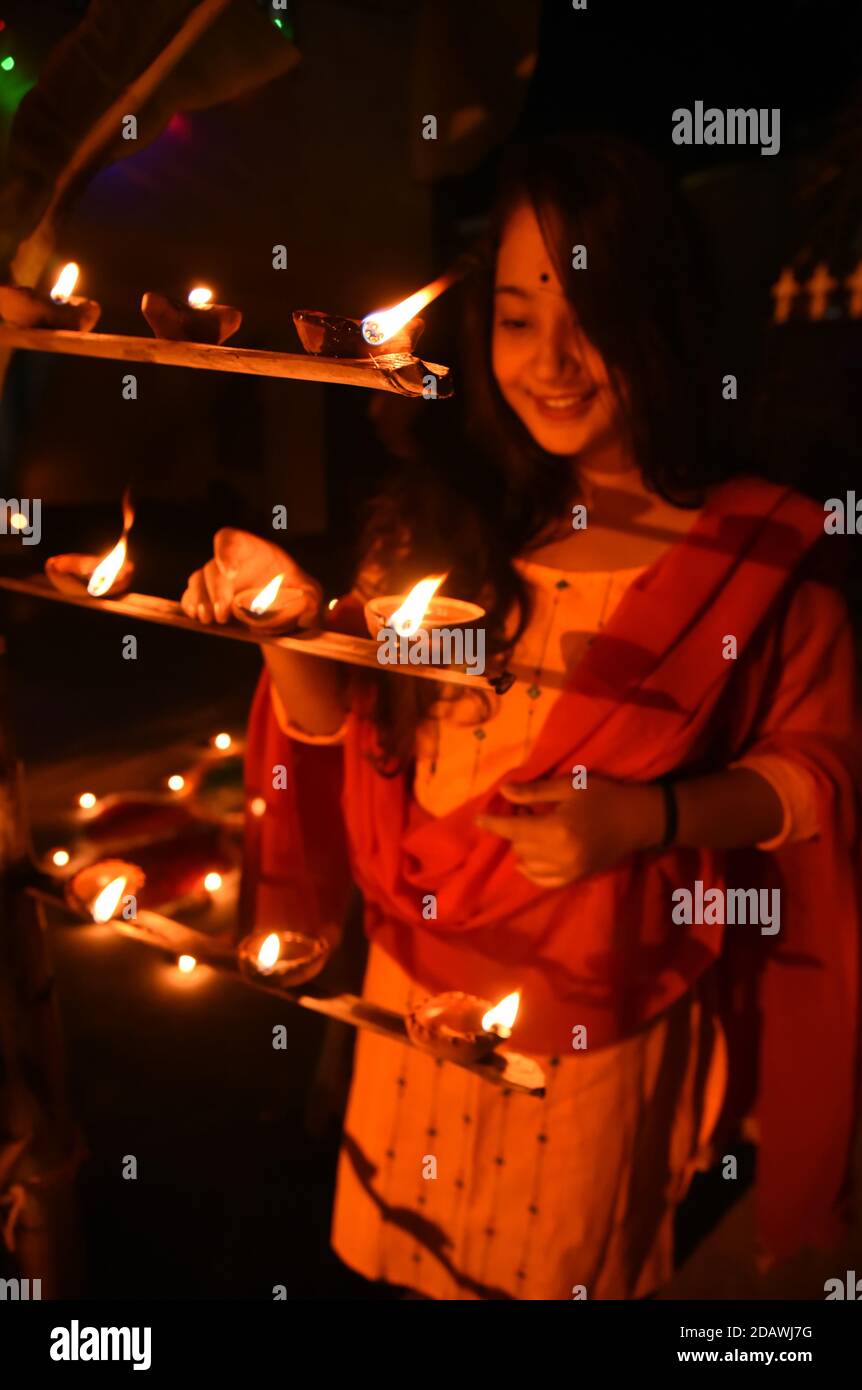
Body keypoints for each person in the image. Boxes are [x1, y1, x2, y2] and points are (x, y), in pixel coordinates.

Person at [182, 134, 861, 1300]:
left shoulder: (746, 552)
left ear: (662, 317)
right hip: (412, 989)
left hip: (595, 1010)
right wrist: (285, 629)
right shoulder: (438, 524)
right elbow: (350, 738)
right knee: (407, 1265)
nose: (551, 361)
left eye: (589, 311)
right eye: (513, 316)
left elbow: (818, 773)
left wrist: (644, 819)